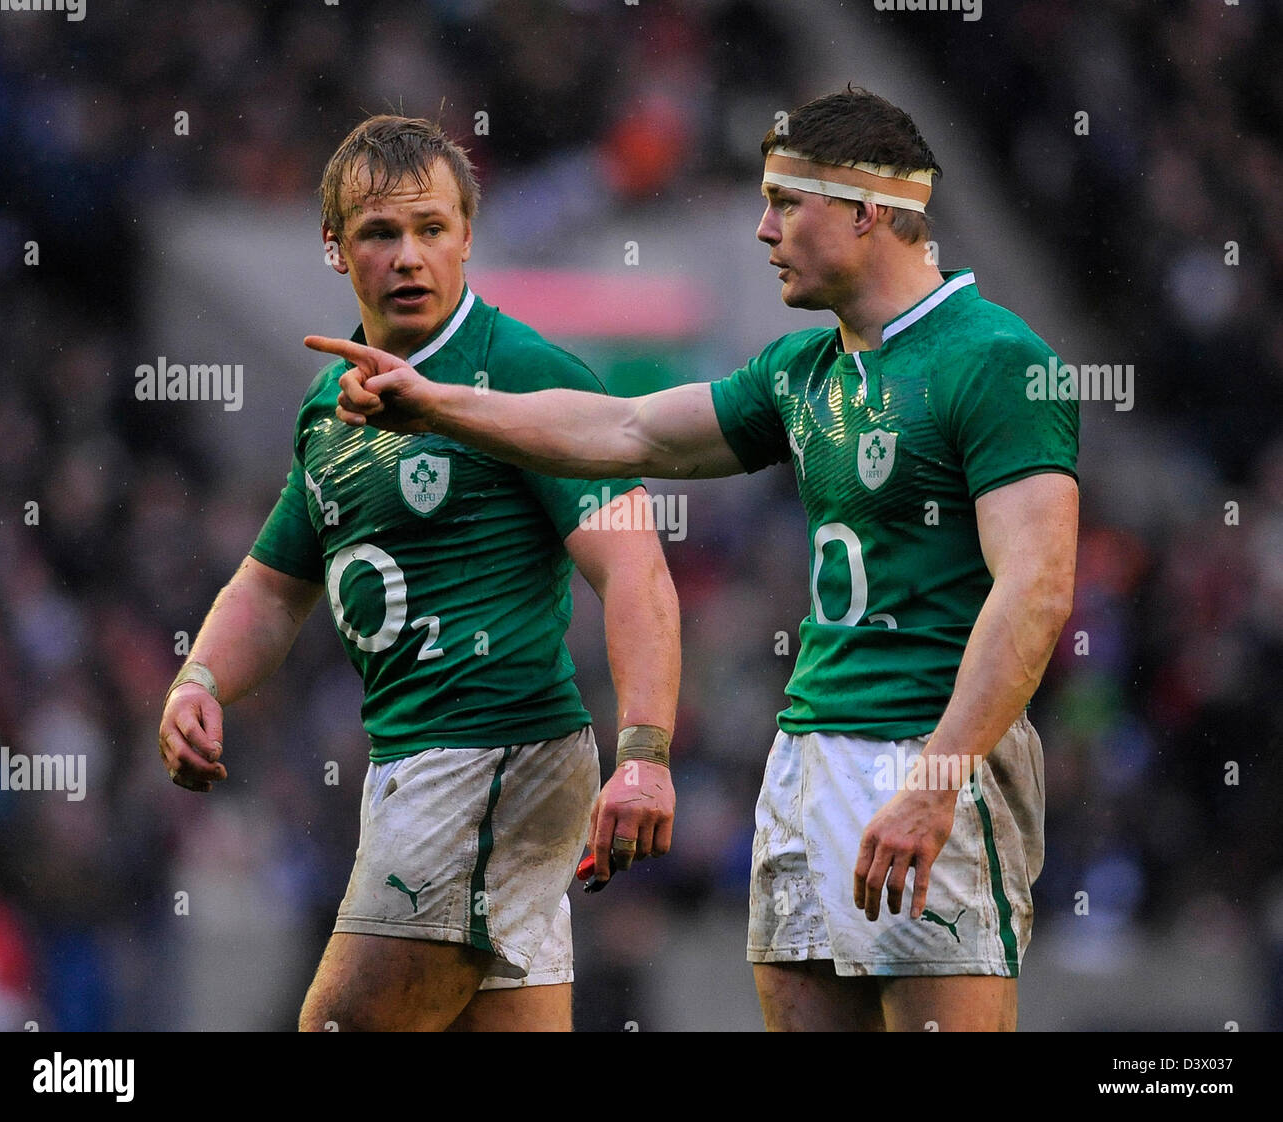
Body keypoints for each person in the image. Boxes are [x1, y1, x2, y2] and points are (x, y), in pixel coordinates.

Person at [313, 85, 1079, 1032]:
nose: (763, 230)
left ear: (867, 210)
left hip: (928, 759)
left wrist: (934, 781)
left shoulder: (998, 358)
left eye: (785, 204)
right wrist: (436, 403)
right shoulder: (803, 370)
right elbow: (624, 429)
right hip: (806, 767)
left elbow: (1037, 589)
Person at [156, 115, 679, 1032]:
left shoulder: (523, 372)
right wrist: (200, 678)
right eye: (379, 234)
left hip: (490, 760)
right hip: (424, 771)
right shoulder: (329, 404)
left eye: (431, 230)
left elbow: (635, 566)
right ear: (332, 248)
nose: (408, 257)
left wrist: (644, 752)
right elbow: (274, 587)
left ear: (468, 236)